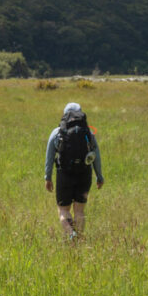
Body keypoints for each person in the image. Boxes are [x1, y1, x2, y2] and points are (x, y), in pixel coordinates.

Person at [44, 102, 104, 240]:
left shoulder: (57, 132)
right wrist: (99, 177)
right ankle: (79, 240)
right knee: (79, 211)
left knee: (63, 210)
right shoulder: (88, 132)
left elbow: (49, 157)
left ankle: (71, 234)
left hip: (64, 175)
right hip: (84, 174)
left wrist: (48, 177)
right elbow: (96, 156)